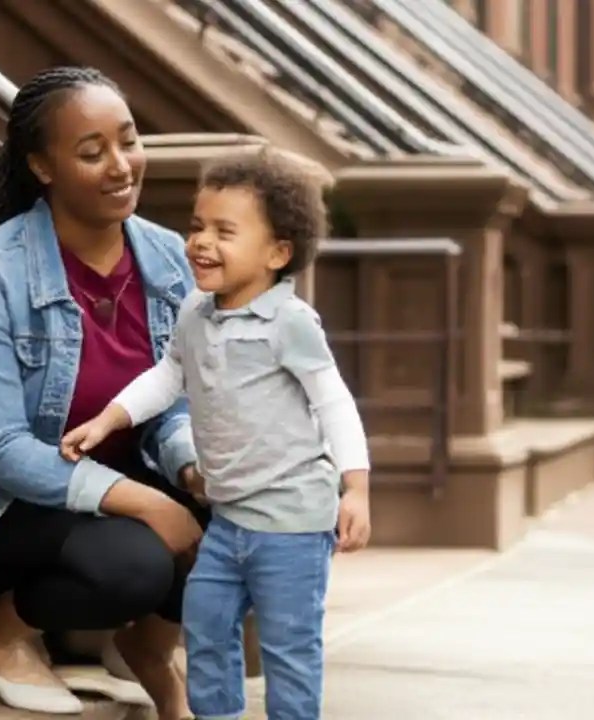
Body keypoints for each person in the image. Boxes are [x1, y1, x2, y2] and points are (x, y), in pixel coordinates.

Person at [0, 66, 204, 720]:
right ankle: (4, 627)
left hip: (107, 481)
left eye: (129, 140)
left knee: (262, 517)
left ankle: (151, 650)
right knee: (137, 569)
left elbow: (174, 398)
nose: (121, 165)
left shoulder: (168, 258)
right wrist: (148, 503)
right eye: (92, 152)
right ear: (42, 166)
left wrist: (190, 468)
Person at [61, 150, 372, 720]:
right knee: (205, 629)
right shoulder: (195, 313)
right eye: (197, 226)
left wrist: (356, 487)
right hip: (228, 522)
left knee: (290, 649)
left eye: (225, 232)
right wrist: (109, 418)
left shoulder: (290, 322)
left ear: (278, 253)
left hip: (294, 527)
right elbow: (166, 377)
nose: (201, 242)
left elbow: (334, 401)